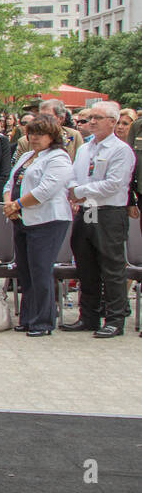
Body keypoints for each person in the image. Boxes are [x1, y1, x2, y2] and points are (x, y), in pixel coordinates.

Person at [63, 102, 136, 337]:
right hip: (88, 209)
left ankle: (115, 319)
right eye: (90, 117)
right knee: (86, 264)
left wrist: (80, 191)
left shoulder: (120, 150)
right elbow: (74, 175)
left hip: (109, 212)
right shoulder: (85, 148)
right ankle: (89, 316)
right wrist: (74, 189)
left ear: (113, 122)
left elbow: (114, 183)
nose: (91, 121)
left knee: (112, 267)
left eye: (98, 117)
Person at [3, 115, 74, 337]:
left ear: (52, 136)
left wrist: (16, 204)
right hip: (22, 219)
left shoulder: (58, 158)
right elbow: (10, 182)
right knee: (25, 271)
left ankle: (43, 321)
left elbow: (46, 190)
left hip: (47, 220)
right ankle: (27, 318)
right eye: (31, 133)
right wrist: (8, 203)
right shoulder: (26, 156)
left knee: (41, 270)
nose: (34, 138)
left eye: (40, 134)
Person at [16, 99, 83, 163]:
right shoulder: (26, 141)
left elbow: (81, 163)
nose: (42, 120)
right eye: (40, 116)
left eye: (48, 117)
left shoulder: (74, 136)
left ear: (61, 118)